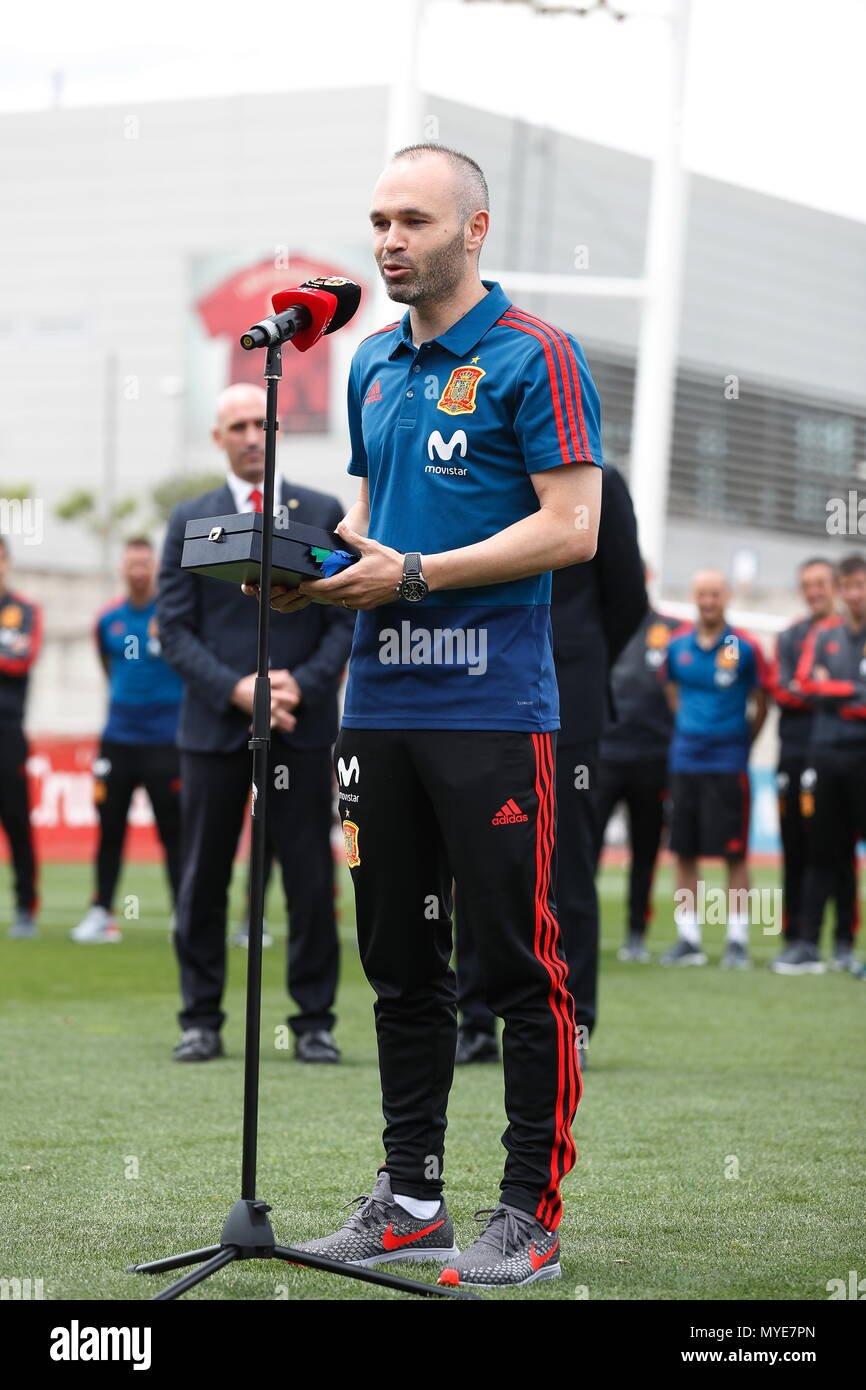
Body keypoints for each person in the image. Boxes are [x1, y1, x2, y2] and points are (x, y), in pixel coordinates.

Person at [260, 143, 602, 1290]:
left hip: (493, 708)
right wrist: (308, 574)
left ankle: (527, 1214)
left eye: (411, 218)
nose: (387, 240)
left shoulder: (534, 356)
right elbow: (370, 523)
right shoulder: (366, 364)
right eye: (376, 220)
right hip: (377, 709)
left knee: (517, 967)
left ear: (475, 229)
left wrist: (410, 575)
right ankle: (409, 1200)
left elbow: (570, 527)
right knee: (400, 964)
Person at [157, 383, 355, 1063]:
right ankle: (201, 1018)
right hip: (214, 729)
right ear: (218, 438)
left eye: (260, 423)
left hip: (300, 728)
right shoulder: (191, 519)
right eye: (236, 425)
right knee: (204, 876)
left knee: (309, 877)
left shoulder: (323, 513)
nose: (250, 435)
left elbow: (344, 615)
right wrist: (239, 689)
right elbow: (175, 630)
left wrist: (300, 682)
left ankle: (314, 1023)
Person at [453, 467, 646, 1067]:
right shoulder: (480, 468)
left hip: (569, 699)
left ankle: (574, 1022)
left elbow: (629, 600)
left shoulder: (602, 484)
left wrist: (575, 657)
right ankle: (476, 1021)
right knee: (476, 860)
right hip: (481, 685)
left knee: (568, 864)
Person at [70, 537, 183, 944]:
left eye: (144, 565)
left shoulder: (172, 616)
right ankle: (101, 913)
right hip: (118, 740)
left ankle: (182, 916)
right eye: (132, 565)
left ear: (154, 568)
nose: (138, 572)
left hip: (167, 742)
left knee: (174, 830)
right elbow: (107, 666)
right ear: (123, 568)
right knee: (110, 829)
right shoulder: (108, 620)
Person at [660, 569, 769, 968]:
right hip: (685, 760)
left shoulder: (747, 647)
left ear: (726, 597)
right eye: (702, 594)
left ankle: (737, 940)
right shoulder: (677, 647)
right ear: (694, 596)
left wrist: (741, 741)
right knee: (684, 851)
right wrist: (691, 728)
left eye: (715, 594)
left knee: (734, 854)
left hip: (728, 763)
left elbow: (761, 702)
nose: (708, 601)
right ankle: (689, 938)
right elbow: (672, 691)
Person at [770, 554, 866, 974]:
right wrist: (851, 693)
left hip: (860, 755)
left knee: (848, 856)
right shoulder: (815, 635)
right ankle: (806, 941)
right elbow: (799, 686)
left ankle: (846, 942)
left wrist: (835, 690)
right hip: (818, 755)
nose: (854, 594)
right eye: (849, 586)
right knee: (817, 849)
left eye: (860, 585)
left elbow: (822, 690)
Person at [594, 582, 679, 962]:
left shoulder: (672, 631)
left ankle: (635, 933)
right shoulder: (601, 624)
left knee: (645, 851)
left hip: (653, 759)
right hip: (604, 756)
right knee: (584, 850)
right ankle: (578, 931)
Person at [0, 536, 41, 939]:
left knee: (16, 822)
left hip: (7, 732)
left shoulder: (23, 610)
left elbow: (19, 660)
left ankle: (25, 907)